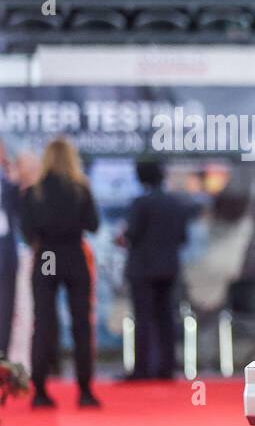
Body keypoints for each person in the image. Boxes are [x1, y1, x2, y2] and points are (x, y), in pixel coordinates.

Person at [19, 136, 101, 409]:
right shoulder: (80, 189)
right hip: (73, 255)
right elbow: (93, 224)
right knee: (81, 323)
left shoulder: (35, 191)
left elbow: (28, 232)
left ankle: (40, 390)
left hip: (48, 256)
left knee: (43, 322)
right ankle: (85, 391)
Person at [118, 160, 194, 380]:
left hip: (142, 269)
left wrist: (123, 239)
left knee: (143, 318)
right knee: (166, 318)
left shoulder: (140, 203)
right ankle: (166, 368)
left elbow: (131, 234)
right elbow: (182, 238)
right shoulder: (175, 203)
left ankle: (142, 369)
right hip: (169, 269)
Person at [0, 141, 20, 360]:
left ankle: (2, 360)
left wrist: (14, 181)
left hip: (6, 251)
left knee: (5, 308)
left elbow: (21, 215)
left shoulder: (9, 182)